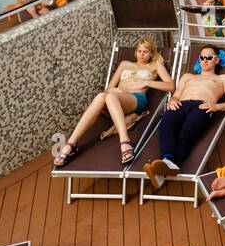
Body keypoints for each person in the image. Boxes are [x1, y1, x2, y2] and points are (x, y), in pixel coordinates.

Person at [54, 38, 175, 166]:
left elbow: (170, 86)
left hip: (135, 98)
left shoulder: (155, 66)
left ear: (151, 53)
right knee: (103, 95)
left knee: (110, 97)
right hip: (116, 97)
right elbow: (109, 87)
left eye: (145, 51)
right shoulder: (124, 64)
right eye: (139, 51)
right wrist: (117, 91)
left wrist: (147, 82)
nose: (141, 54)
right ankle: (71, 144)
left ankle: (125, 141)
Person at [140, 44, 225, 187]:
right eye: (202, 57)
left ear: (216, 60)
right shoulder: (187, 76)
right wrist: (173, 100)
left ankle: (164, 167)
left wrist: (216, 106)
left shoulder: (223, 78)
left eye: (209, 57)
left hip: (202, 106)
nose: (204, 60)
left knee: (187, 131)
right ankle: (167, 163)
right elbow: (177, 95)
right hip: (181, 104)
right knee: (165, 126)